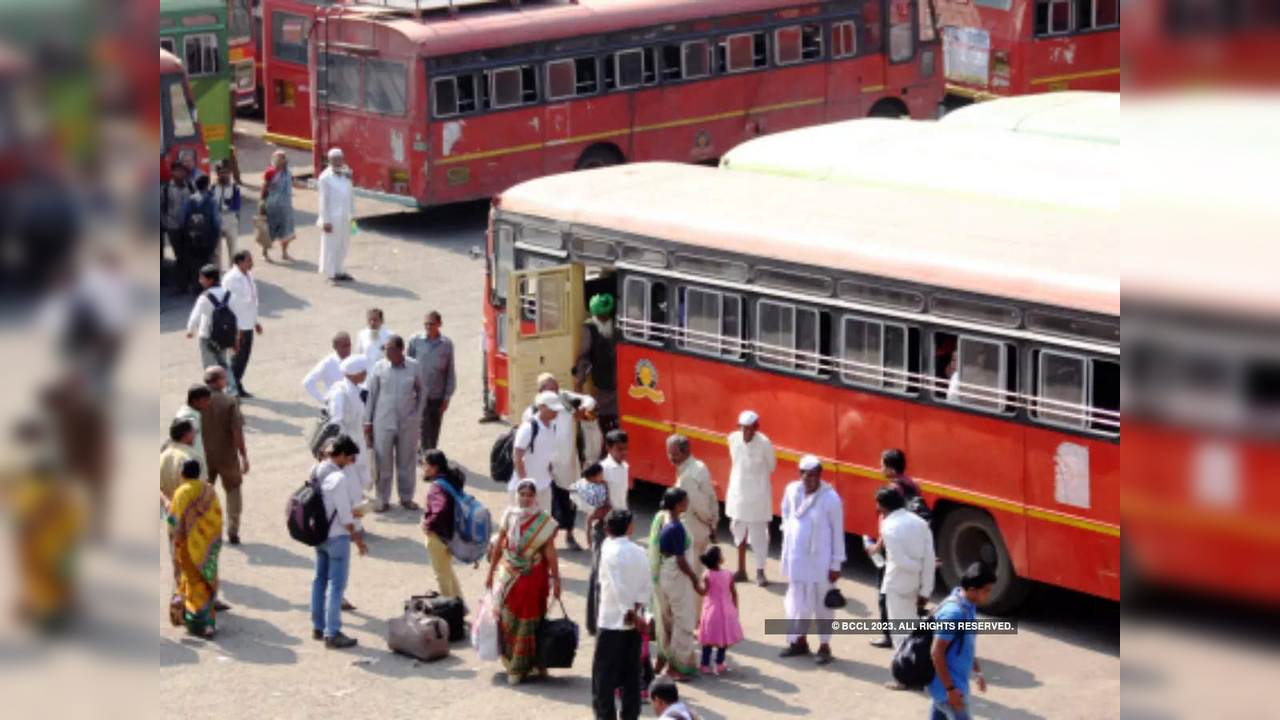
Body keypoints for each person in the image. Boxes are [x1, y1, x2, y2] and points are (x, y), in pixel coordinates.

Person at [485, 479, 561, 685]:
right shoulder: (509, 515)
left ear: (536, 497)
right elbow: (500, 544)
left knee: (530, 619)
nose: (526, 499)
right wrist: (490, 572)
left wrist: (557, 580)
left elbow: (550, 553)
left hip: (531, 577)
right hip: (508, 574)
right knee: (507, 618)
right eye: (523, 494)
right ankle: (513, 662)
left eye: (530, 495)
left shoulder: (544, 522)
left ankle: (523, 668)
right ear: (516, 495)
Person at [779, 455, 845, 665]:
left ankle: (824, 646)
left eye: (816, 476)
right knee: (797, 602)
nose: (812, 481)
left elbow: (837, 533)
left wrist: (836, 564)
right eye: (808, 476)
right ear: (800, 475)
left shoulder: (831, 498)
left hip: (821, 563)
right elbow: (786, 517)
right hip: (797, 560)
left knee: (822, 606)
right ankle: (799, 641)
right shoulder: (791, 490)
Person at [521, 372, 592, 550]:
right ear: (540, 392)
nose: (555, 392)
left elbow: (589, 400)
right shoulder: (531, 413)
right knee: (546, 504)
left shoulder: (565, 401)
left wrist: (582, 409)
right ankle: (543, 540)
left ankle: (569, 535)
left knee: (569, 500)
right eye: (550, 389)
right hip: (544, 467)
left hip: (566, 462)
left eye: (556, 388)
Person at [592, 508, 652, 720]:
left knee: (604, 678)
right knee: (631, 676)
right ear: (630, 528)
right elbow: (646, 585)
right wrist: (638, 611)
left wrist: (629, 612)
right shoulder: (639, 552)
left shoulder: (608, 551)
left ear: (607, 530)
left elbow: (618, 588)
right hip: (633, 623)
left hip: (611, 622)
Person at [311, 435, 369, 649]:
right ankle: (332, 632)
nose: (350, 462)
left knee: (319, 580)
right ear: (342, 455)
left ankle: (318, 626)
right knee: (337, 585)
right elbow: (345, 515)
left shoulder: (316, 470)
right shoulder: (338, 479)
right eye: (350, 458)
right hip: (337, 536)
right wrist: (358, 539)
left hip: (320, 533)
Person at [871, 485, 935, 664]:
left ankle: (904, 675)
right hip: (915, 586)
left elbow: (899, 561)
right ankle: (916, 670)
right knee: (913, 631)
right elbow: (929, 558)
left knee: (900, 636)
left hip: (897, 585)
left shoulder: (888, 526)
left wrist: (917, 567)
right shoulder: (920, 523)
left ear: (884, 507)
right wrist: (926, 591)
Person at [362, 335, 424, 512]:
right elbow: (372, 395)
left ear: (399, 350)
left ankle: (406, 498)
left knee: (407, 461)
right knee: (383, 463)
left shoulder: (414, 366)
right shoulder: (379, 367)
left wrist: (417, 415)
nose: (385, 352)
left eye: (388, 349)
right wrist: (368, 421)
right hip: (383, 422)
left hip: (408, 424)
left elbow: (422, 391)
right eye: (384, 349)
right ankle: (382, 499)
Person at [928, 563, 995, 720]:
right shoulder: (954, 613)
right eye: (986, 591)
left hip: (948, 688)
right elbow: (936, 653)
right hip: (950, 690)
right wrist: (950, 690)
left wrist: (977, 672)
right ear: (972, 590)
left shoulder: (968, 606)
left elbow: (967, 644)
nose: (988, 595)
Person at [869, 448, 921, 649]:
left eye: (882, 464)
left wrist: (877, 545)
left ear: (890, 469)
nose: (880, 468)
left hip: (892, 548)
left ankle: (889, 636)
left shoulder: (892, 491)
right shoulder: (913, 485)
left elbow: (888, 522)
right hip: (911, 545)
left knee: (885, 593)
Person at [649, 487, 703, 680]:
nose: (689, 503)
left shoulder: (662, 518)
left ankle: (663, 659)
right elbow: (681, 560)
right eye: (686, 500)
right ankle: (676, 666)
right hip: (677, 577)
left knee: (666, 618)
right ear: (679, 504)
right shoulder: (676, 527)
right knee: (683, 620)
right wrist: (695, 580)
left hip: (665, 575)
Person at [167, 458, 223, 639]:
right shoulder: (208, 490)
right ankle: (201, 618)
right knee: (205, 581)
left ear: (182, 475)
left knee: (194, 582)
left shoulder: (181, 492)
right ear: (198, 473)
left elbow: (173, 520)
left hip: (188, 546)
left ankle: (204, 624)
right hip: (207, 546)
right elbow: (217, 516)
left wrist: (176, 539)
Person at [725, 410, 775, 586]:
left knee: (759, 536)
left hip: (758, 498)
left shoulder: (765, 443)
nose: (747, 433)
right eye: (743, 429)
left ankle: (760, 572)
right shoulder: (733, 439)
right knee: (739, 532)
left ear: (756, 428)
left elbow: (772, 466)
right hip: (739, 495)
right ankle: (741, 570)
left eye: (750, 429)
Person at [201, 367, 249, 545]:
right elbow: (237, 432)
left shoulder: (198, 400)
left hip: (204, 455)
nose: (226, 380)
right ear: (218, 380)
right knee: (233, 490)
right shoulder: (229, 401)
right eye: (224, 377)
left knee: (205, 491)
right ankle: (233, 530)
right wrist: (244, 456)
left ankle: (205, 527)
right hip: (226, 455)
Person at [184, 264, 241, 396]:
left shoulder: (205, 297)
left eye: (202, 278)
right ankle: (233, 391)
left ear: (210, 280)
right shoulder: (229, 295)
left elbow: (195, 316)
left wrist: (190, 330)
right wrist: (235, 337)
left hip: (207, 337)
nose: (200, 280)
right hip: (224, 337)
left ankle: (212, 395)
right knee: (224, 364)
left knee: (209, 367)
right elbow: (236, 316)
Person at [406, 310, 456, 456]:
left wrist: (447, 396)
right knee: (423, 425)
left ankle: (430, 453)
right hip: (419, 393)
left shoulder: (446, 345)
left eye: (432, 324)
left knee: (434, 426)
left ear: (440, 324)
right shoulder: (415, 341)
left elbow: (450, 371)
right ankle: (426, 457)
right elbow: (408, 366)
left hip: (437, 393)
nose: (428, 327)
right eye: (426, 324)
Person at [571, 462, 612, 637]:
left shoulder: (594, 488)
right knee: (598, 578)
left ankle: (595, 621)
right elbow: (593, 516)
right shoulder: (599, 490)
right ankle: (595, 621)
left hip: (602, 532)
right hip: (603, 532)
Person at [668, 434, 717, 577]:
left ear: (686, 452)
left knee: (692, 576)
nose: (672, 457)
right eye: (669, 453)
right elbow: (712, 498)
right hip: (701, 532)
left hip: (693, 533)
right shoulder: (700, 466)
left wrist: (710, 522)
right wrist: (713, 523)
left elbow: (699, 506)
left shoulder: (687, 477)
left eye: (675, 454)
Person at [420, 448, 465, 601]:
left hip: (438, 537)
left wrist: (429, 525)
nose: (424, 468)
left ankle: (449, 610)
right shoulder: (450, 480)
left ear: (435, 467)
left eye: (426, 465)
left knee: (442, 577)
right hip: (451, 534)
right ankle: (461, 607)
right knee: (448, 572)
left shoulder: (437, 487)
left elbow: (441, 508)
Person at [574, 293, 619, 435]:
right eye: (601, 315)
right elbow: (584, 357)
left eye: (606, 314)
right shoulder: (590, 328)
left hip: (619, 377)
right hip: (602, 377)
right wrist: (580, 380)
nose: (604, 318)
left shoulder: (616, 324)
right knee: (603, 412)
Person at [509, 391, 561, 512]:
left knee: (544, 526)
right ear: (542, 407)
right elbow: (517, 456)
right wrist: (524, 483)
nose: (556, 412)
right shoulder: (528, 428)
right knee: (523, 527)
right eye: (553, 409)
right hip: (525, 491)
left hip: (544, 485)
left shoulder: (553, 425)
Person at [327, 355, 372, 495]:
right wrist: (344, 446)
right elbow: (337, 420)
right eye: (363, 371)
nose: (366, 374)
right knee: (349, 470)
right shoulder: (340, 392)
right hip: (347, 440)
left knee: (360, 465)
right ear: (355, 374)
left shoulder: (355, 389)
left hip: (357, 436)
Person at [221, 250, 262, 399]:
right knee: (237, 358)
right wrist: (235, 329)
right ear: (239, 262)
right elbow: (230, 305)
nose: (252, 262)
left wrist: (255, 322)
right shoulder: (231, 279)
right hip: (238, 326)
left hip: (248, 323)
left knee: (244, 357)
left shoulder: (248, 275)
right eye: (249, 260)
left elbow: (252, 300)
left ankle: (236, 383)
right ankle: (232, 387)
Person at [696, 545, 741, 675]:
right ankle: (719, 663)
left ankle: (705, 664)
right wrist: (735, 609)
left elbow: (703, 592)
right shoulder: (728, 575)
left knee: (708, 640)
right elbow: (734, 593)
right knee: (724, 640)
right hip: (727, 611)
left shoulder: (707, 575)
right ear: (719, 560)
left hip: (711, 611)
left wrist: (694, 583)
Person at [317, 147, 356, 282]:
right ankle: (331, 273)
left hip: (346, 217)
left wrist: (353, 217)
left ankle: (340, 270)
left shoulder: (347, 175)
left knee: (343, 244)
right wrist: (325, 221)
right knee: (331, 245)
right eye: (335, 159)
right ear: (330, 161)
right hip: (332, 218)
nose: (338, 162)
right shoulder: (325, 178)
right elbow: (323, 201)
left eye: (340, 159)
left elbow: (351, 196)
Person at [161, 162, 195, 290]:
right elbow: (161, 207)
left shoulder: (190, 186)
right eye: (176, 171)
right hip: (173, 226)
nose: (179, 173)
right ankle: (181, 285)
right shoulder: (166, 188)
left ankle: (191, 281)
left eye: (181, 171)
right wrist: (165, 222)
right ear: (172, 172)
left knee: (189, 253)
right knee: (179, 255)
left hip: (188, 226)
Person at [260, 149, 296, 261]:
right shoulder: (270, 172)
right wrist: (262, 204)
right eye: (277, 158)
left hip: (285, 206)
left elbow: (293, 183)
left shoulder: (288, 173)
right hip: (272, 206)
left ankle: (284, 253)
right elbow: (264, 188)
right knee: (270, 230)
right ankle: (265, 253)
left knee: (286, 230)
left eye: (282, 158)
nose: (280, 160)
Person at [182, 174, 221, 272]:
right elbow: (216, 221)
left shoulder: (188, 200)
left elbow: (183, 219)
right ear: (207, 185)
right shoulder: (211, 201)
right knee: (207, 261)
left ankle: (195, 282)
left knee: (194, 262)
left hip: (192, 237)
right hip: (208, 237)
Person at [302, 331, 353, 404]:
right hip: (336, 406)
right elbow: (307, 382)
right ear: (335, 347)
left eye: (349, 345)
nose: (347, 349)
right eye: (344, 346)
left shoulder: (354, 360)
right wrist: (323, 400)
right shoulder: (327, 363)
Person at [173, 384, 211, 479]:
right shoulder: (187, 417)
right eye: (205, 400)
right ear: (194, 401)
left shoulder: (194, 414)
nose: (208, 403)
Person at [160, 419, 199, 508]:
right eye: (193, 431)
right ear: (186, 435)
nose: (194, 435)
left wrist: (166, 503)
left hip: (169, 514)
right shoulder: (193, 458)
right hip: (190, 513)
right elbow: (199, 488)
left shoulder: (161, 457)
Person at [212, 161, 242, 269]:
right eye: (221, 172)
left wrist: (227, 207)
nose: (224, 175)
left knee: (233, 248)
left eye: (226, 172)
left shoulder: (235, 188)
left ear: (230, 173)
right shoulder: (213, 188)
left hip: (230, 218)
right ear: (217, 173)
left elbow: (237, 205)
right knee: (216, 250)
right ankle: (217, 274)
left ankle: (233, 273)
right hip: (216, 219)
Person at [355, 308, 393, 376]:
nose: (372, 322)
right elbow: (358, 355)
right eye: (370, 320)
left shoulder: (390, 335)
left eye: (375, 319)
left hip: (384, 374)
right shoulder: (362, 334)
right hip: (367, 374)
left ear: (382, 321)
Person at [601, 429, 630, 513]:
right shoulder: (603, 468)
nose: (624, 452)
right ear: (608, 448)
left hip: (622, 514)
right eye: (619, 449)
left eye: (626, 448)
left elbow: (623, 495)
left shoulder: (625, 467)